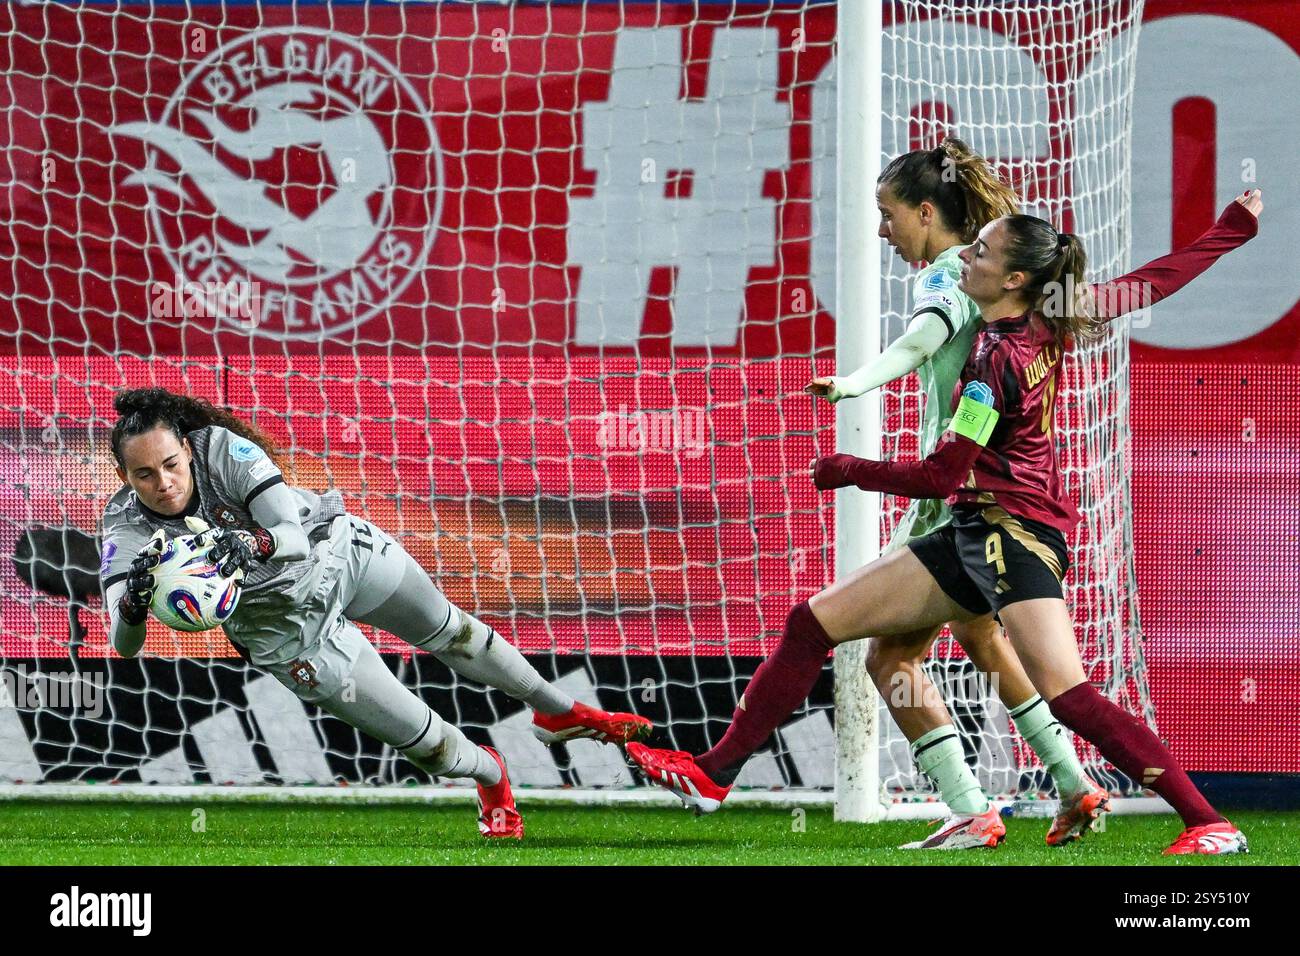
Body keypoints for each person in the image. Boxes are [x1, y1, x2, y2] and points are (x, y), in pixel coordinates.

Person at [629, 190, 1262, 855]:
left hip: (1010, 538)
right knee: (813, 624)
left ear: (1014, 279)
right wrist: (1229, 231)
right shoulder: (1054, 312)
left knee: (1070, 696)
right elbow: (1150, 284)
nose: (969, 256)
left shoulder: (991, 367)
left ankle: (1207, 822)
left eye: (982, 251)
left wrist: (847, 468)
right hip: (973, 533)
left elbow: (939, 477)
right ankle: (714, 773)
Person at [99, 387, 652, 840]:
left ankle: (557, 710)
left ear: (188, 452)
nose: (163, 483)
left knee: (456, 633)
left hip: (334, 553)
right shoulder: (124, 524)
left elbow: (291, 534)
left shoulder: (223, 449)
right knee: (427, 746)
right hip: (286, 631)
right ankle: (491, 774)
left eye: (170, 464)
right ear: (126, 478)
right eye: (144, 475)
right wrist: (134, 601)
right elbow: (124, 643)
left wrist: (253, 545)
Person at [805, 138, 1102, 847]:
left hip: (953, 498)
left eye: (888, 214)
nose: (883, 230)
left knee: (886, 657)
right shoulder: (985, 278)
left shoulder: (944, 281)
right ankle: (1070, 778)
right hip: (992, 495)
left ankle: (970, 805)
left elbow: (917, 342)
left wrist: (853, 383)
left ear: (927, 210)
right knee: (981, 638)